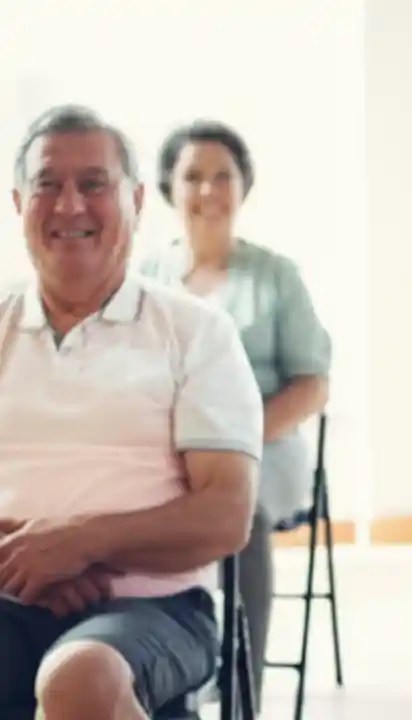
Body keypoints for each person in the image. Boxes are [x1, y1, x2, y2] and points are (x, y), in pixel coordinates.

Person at [0, 105, 262, 719]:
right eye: (47, 185)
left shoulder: (195, 332)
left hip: (153, 610)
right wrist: (28, 559)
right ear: (18, 203)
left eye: (93, 184)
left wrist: (82, 545)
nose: (69, 206)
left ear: (138, 201)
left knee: (80, 679)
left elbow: (226, 516)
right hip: (6, 596)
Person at [137, 119, 332, 699]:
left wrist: (237, 442)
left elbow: (311, 384)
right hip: (165, 456)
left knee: (237, 514)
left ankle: (243, 693)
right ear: (169, 188)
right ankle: (158, 674)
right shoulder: (144, 277)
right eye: (193, 176)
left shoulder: (277, 277)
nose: (208, 190)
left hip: (264, 453)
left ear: (243, 186)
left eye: (222, 176)